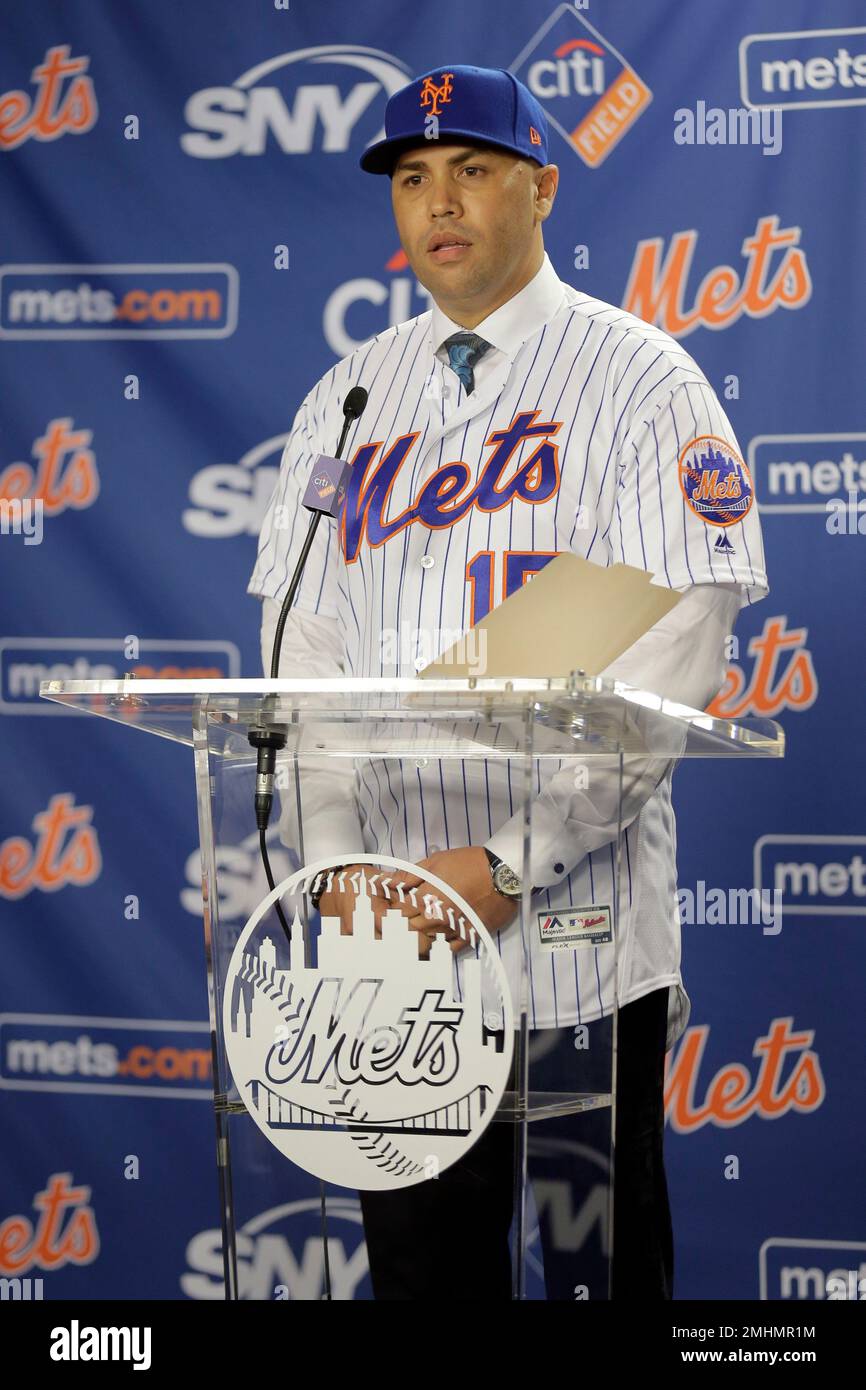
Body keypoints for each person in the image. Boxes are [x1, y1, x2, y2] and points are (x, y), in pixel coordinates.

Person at [248, 63, 768, 1299]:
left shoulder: (642, 379)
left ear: (540, 184)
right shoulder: (347, 397)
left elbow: (673, 650)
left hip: (572, 940)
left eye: (472, 170)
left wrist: (508, 862)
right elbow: (301, 653)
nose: (440, 201)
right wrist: (341, 875)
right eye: (413, 178)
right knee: (425, 1280)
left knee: (601, 1278)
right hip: (387, 955)